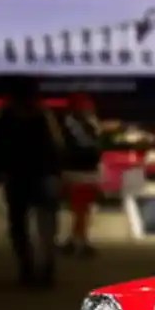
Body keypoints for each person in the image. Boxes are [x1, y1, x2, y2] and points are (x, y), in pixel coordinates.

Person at [0, 76, 64, 287]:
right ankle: (47, 267)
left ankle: (26, 267)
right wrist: (57, 171)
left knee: (18, 224)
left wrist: (0, 171)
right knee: (46, 224)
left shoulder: (6, 114)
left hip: (16, 175)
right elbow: (57, 144)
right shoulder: (43, 114)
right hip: (42, 174)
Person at [59, 93, 103, 256]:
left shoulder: (80, 123)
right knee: (81, 209)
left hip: (83, 171)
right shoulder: (73, 124)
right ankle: (80, 242)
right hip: (78, 171)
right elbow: (89, 146)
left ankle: (74, 240)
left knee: (81, 209)